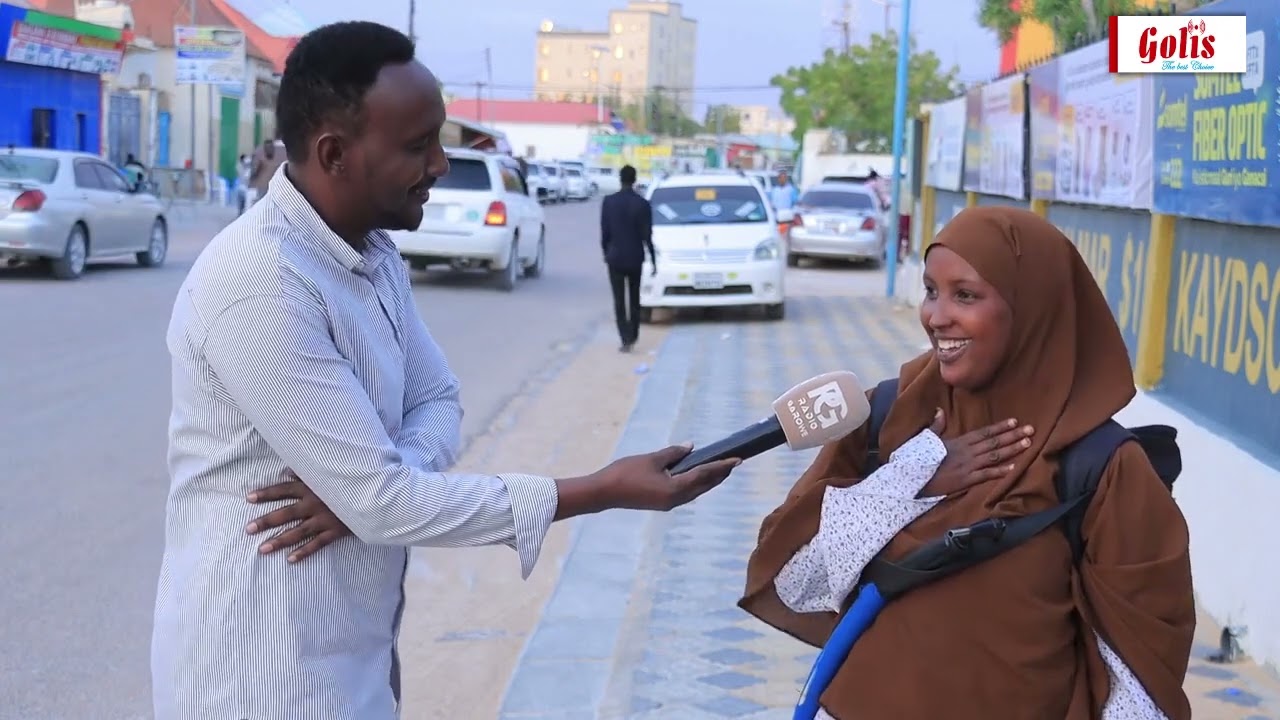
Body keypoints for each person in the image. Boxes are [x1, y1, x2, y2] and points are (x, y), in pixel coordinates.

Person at [151, 21, 739, 720]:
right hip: (261, 671)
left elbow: (438, 401)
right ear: (334, 153)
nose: (438, 164)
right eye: (416, 145)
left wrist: (376, 479)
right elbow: (386, 503)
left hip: (354, 650)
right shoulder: (261, 282)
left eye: (439, 138)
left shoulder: (372, 255)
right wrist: (601, 489)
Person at [738, 207, 1194, 719]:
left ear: (1032, 309)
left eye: (966, 295)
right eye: (932, 291)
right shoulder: (891, 416)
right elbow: (798, 580)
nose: (937, 316)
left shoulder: (1102, 467)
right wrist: (909, 481)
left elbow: (1140, 675)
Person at [600, 164, 656, 352]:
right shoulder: (642, 204)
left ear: (620, 179)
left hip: (615, 257)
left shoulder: (609, 202)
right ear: (635, 180)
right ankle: (633, 334)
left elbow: (605, 233)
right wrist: (654, 259)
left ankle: (624, 338)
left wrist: (605, 252)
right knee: (634, 297)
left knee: (618, 299)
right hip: (635, 257)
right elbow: (647, 235)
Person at [247, 137, 284, 207]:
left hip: (263, 185)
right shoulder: (283, 152)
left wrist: (252, 178)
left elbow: (255, 169)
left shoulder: (260, 153)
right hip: (275, 186)